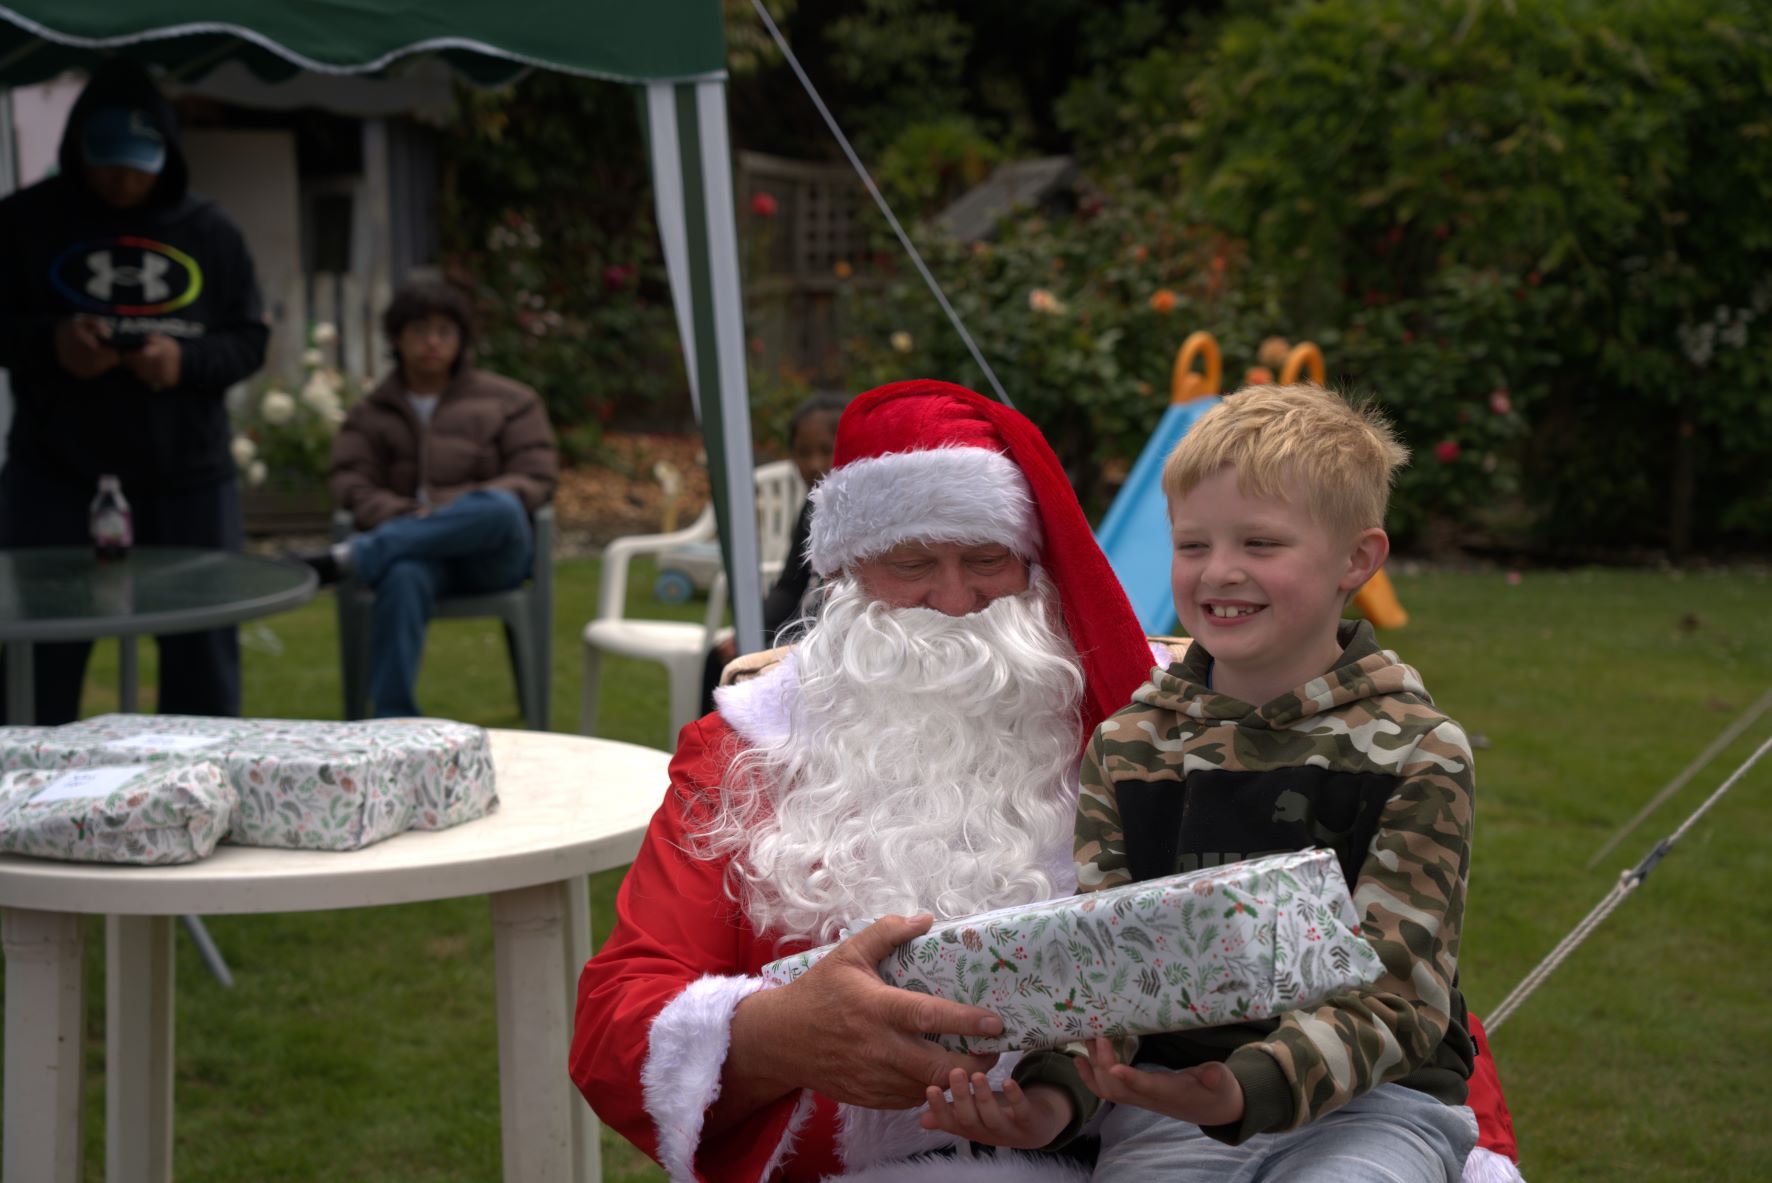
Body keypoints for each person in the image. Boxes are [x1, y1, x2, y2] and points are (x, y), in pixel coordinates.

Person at [921, 384, 1522, 1183]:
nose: (1220, 572)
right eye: (1193, 544)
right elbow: (1101, 971)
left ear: (1357, 559)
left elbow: (1399, 997)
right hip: (1168, 1110)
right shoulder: (1129, 747)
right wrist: (1050, 1102)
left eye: (1261, 543)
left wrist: (1244, 1087)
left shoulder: (1418, 750)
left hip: (1376, 1108)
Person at [572, 379, 1163, 1182]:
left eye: (987, 559)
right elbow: (612, 1023)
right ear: (845, 572)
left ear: (1032, 563)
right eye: (911, 562)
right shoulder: (743, 751)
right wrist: (778, 1036)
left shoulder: (1131, 729)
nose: (954, 599)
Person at [0, 58, 268, 723]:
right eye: (108, 163)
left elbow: (249, 339)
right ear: (77, 149)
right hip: (55, 478)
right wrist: (52, 344)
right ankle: (22, 786)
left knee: (202, 662)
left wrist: (183, 362)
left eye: (139, 164)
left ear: (168, 153)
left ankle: (203, 779)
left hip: (186, 480)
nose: (123, 180)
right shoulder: (24, 222)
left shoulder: (210, 231)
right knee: (36, 661)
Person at [300, 280, 557, 718]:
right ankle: (394, 722)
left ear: (462, 338)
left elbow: (536, 476)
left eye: (444, 331)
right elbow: (351, 481)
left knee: (501, 506)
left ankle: (357, 555)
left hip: (492, 556)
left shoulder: (511, 401)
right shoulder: (370, 413)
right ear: (397, 338)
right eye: (419, 330)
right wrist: (406, 515)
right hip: (417, 558)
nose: (432, 342)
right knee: (403, 575)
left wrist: (452, 509)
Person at [696, 390, 848, 715]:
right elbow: (790, 586)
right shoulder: (811, 508)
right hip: (802, 628)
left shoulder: (868, 515)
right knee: (721, 659)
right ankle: (705, 745)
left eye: (826, 450)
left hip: (841, 640)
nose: (814, 464)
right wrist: (748, 632)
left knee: (757, 673)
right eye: (802, 453)